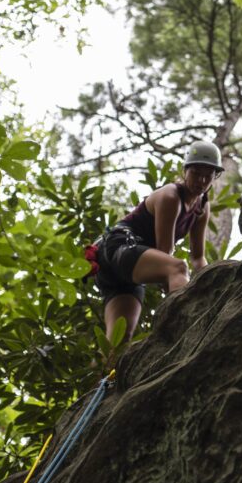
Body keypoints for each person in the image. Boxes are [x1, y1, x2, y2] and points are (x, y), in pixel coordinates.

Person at [86, 140, 223, 358]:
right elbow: (164, 252)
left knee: (118, 343)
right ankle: (182, 328)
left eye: (209, 175)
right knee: (177, 267)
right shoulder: (170, 196)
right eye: (196, 173)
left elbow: (198, 258)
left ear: (215, 177)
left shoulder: (201, 208)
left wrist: (213, 283)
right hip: (118, 247)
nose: (202, 180)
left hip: (126, 272)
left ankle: (103, 383)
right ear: (185, 171)